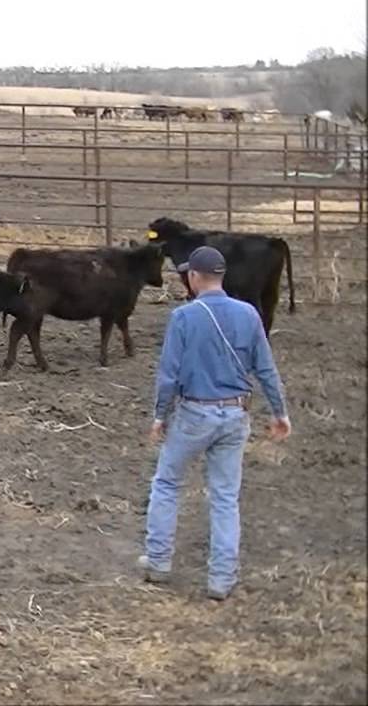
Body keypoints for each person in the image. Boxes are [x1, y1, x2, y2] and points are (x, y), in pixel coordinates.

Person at [140, 245, 291, 601]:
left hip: (194, 413)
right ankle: (221, 579)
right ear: (221, 276)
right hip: (235, 414)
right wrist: (280, 412)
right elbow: (265, 368)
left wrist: (160, 415)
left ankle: (159, 562)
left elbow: (168, 375)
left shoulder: (183, 317)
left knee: (167, 484)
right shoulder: (249, 315)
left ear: (193, 277)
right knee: (225, 497)